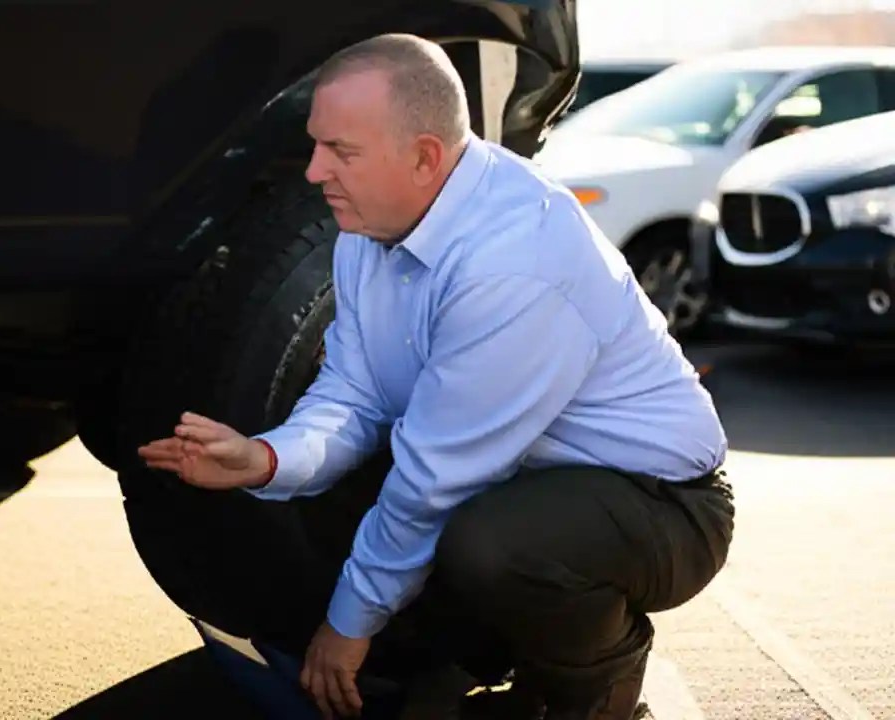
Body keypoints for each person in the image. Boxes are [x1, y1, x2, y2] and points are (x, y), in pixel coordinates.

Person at [137, 33, 734, 720]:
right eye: (317, 144)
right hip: (522, 475)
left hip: (664, 504)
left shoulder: (516, 256)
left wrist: (346, 630)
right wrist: (267, 457)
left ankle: (597, 688)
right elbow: (353, 394)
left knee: (490, 544)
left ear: (424, 157)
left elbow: (434, 479)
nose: (313, 172)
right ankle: (454, 659)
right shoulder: (370, 226)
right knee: (350, 494)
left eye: (341, 152)